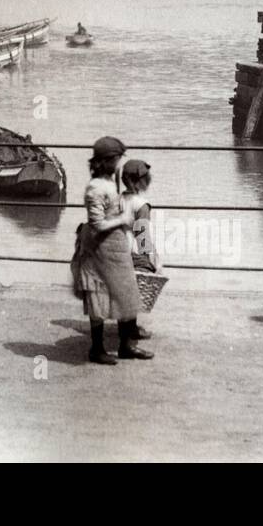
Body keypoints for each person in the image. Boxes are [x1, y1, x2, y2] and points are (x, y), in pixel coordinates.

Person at [70, 136, 154, 364]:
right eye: (116, 159)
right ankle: (96, 348)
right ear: (106, 161)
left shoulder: (109, 181)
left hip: (114, 246)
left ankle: (125, 344)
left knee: (125, 291)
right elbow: (97, 224)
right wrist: (123, 220)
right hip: (100, 246)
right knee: (98, 294)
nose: (118, 163)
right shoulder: (96, 188)